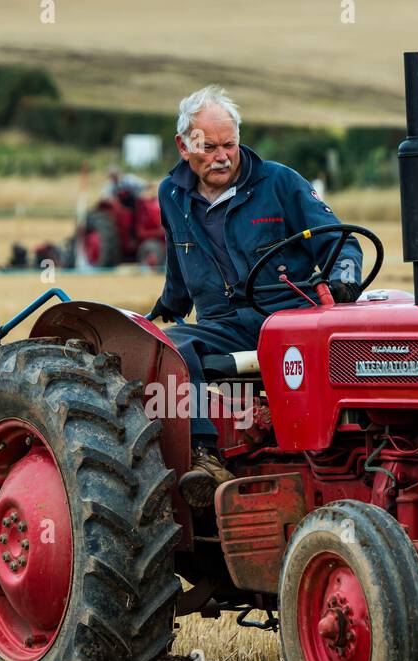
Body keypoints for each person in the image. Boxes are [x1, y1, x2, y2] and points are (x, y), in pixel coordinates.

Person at [150, 85, 362, 507]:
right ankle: (204, 455)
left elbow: (344, 245)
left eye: (229, 144)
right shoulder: (171, 196)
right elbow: (179, 263)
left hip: (284, 319)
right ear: (183, 146)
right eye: (207, 147)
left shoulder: (279, 183)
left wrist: (344, 282)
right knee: (169, 347)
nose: (222, 156)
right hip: (224, 326)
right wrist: (164, 309)